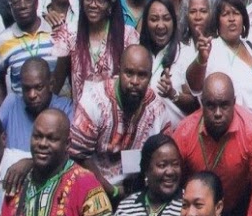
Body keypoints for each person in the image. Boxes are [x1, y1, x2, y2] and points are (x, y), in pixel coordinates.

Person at [169, 73, 252, 216]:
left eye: (224, 105)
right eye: (211, 106)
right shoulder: (185, 132)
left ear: (234, 102)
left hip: (235, 209)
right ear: (202, 103)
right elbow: (174, 183)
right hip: (196, 211)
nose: (218, 113)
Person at [68, 42, 179, 190]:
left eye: (142, 75)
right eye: (129, 73)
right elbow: (78, 154)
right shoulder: (94, 100)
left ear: (150, 76)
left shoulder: (157, 109)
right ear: (119, 71)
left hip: (137, 186)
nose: (134, 81)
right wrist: (110, 191)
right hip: (92, 184)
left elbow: (162, 157)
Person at [0, 55, 72, 153]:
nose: (32, 95)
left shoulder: (65, 108)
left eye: (39, 88)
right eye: (26, 89)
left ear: (51, 84)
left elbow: (71, 150)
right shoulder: (12, 104)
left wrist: (28, 163)